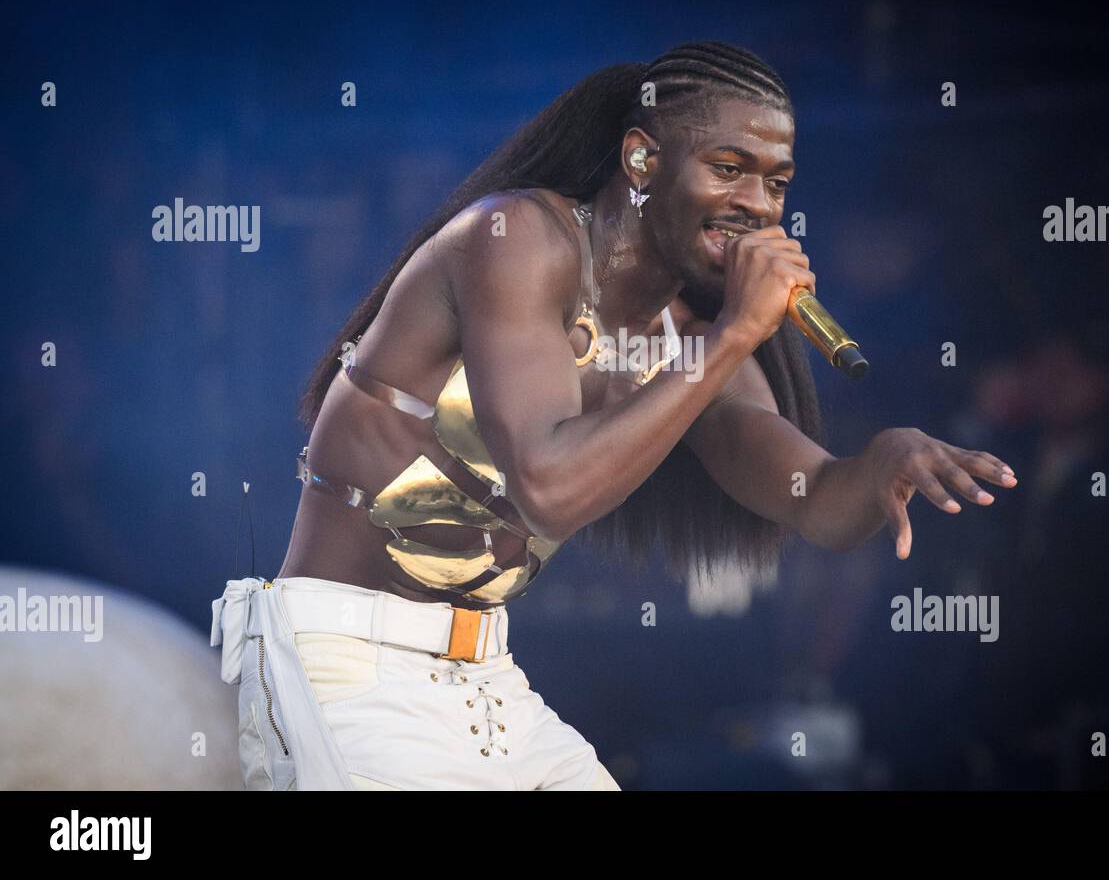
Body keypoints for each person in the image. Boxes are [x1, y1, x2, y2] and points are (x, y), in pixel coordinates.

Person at [210, 40, 1017, 790]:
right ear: (641, 158)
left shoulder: (689, 342)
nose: (756, 205)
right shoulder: (517, 238)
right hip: (346, 660)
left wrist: (882, 464)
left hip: (484, 672)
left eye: (776, 183)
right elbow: (548, 487)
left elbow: (816, 500)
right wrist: (738, 333)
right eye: (729, 168)